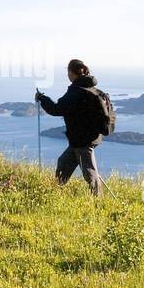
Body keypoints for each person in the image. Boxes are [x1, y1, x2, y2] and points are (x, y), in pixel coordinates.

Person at [35, 58, 113, 196]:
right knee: (64, 163)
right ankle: (54, 192)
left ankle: (98, 200)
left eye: (68, 71)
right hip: (84, 138)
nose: (67, 75)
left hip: (82, 139)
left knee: (89, 171)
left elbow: (57, 109)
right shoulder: (90, 87)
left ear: (72, 72)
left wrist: (42, 98)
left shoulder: (77, 91)